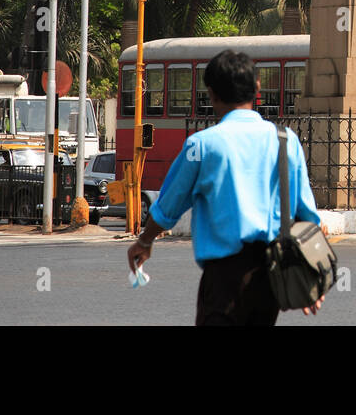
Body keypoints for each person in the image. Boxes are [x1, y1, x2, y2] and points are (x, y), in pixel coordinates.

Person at [127, 50, 324, 325]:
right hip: (271, 279)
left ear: (211, 94)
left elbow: (168, 207)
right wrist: (311, 274)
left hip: (223, 278)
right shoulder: (286, 141)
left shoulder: (203, 145)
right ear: (257, 87)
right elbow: (308, 215)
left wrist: (145, 241)